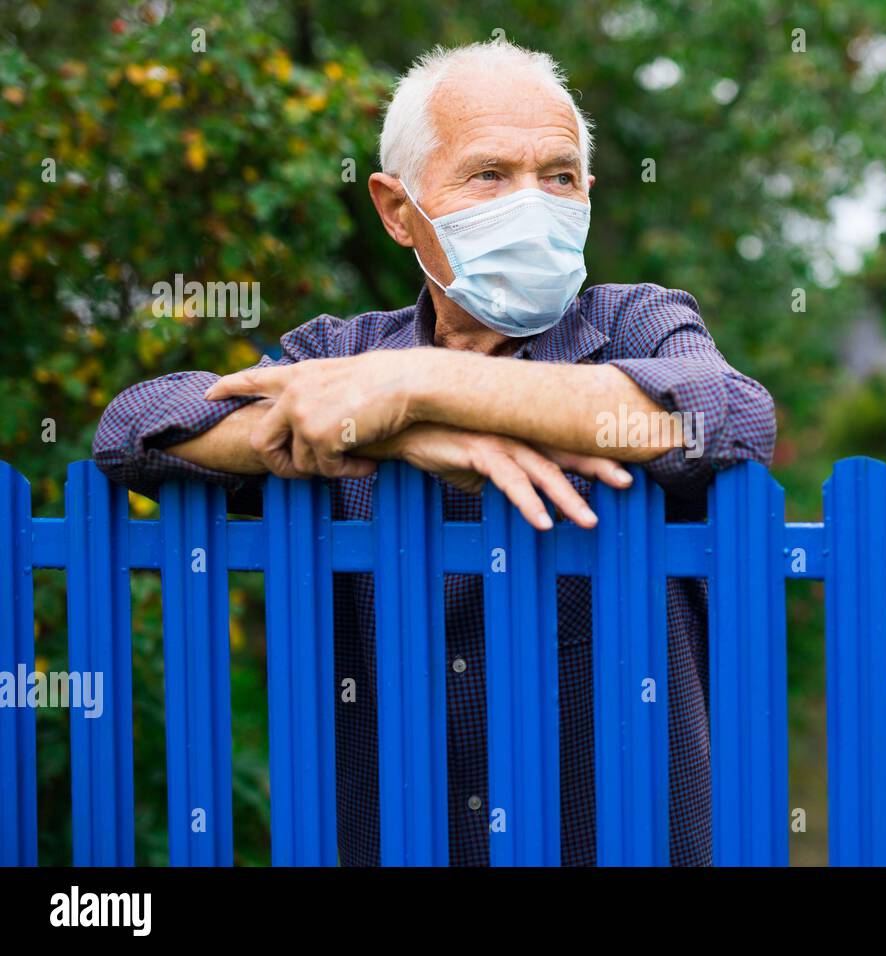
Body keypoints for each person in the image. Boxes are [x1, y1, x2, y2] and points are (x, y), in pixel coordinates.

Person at [94, 40, 776, 866]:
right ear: (396, 208)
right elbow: (134, 428)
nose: (533, 203)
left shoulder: (634, 321)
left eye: (559, 176)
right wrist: (394, 427)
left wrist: (420, 385)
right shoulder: (338, 354)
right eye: (490, 174)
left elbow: (724, 417)